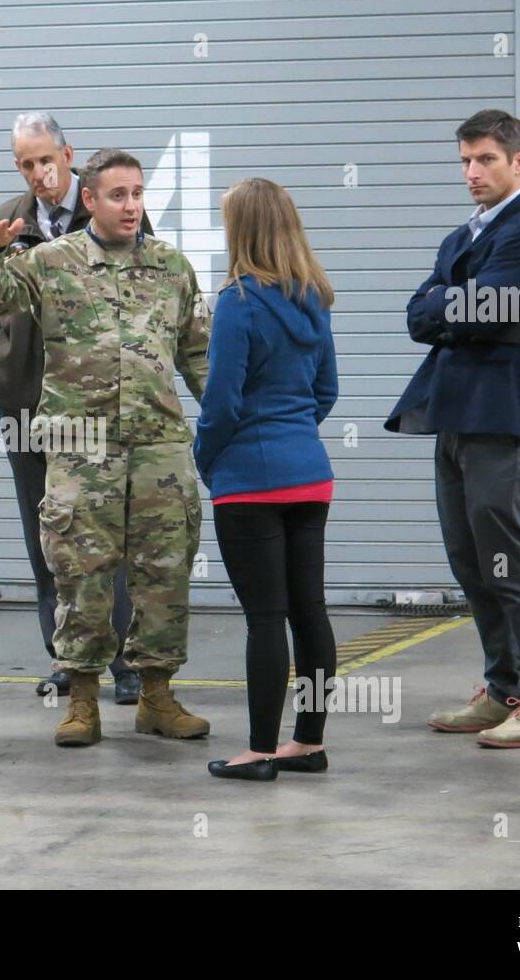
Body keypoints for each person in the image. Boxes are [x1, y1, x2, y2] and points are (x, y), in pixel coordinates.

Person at [0, 148, 211, 748]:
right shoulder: (50, 262)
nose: (131, 206)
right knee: (80, 573)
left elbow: (198, 352)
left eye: (138, 194)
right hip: (80, 445)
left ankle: (156, 695)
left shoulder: (171, 265)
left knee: (163, 573)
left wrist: (231, 417)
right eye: (118, 195)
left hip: (159, 446)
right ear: (90, 199)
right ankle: (82, 700)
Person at [385, 109, 520, 748]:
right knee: (472, 564)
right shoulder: (463, 237)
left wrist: (451, 306)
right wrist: (452, 307)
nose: (472, 172)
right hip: (457, 417)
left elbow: (474, 313)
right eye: (466, 160)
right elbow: (420, 314)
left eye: (486, 159)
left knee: (510, 564)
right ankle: (503, 691)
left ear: (518, 161)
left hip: (505, 420)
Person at [0, 112, 154, 704]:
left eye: (45, 160)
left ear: (67, 153)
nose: (38, 173)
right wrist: (2, 357)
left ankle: (127, 664)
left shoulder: (107, 206)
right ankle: (68, 662)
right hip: (27, 406)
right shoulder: (8, 222)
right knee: (46, 538)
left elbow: (143, 296)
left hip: (98, 405)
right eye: (26, 164)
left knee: (109, 537)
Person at [196, 178, 339, 783]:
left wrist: (209, 459)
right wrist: (293, 435)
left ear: (243, 229)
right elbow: (325, 391)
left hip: (249, 484)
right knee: (309, 612)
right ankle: (306, 742)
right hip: (310, 478)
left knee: (264, 617)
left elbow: (221, 402)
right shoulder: (313, 297)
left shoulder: (237, 301)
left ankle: (257, 750)